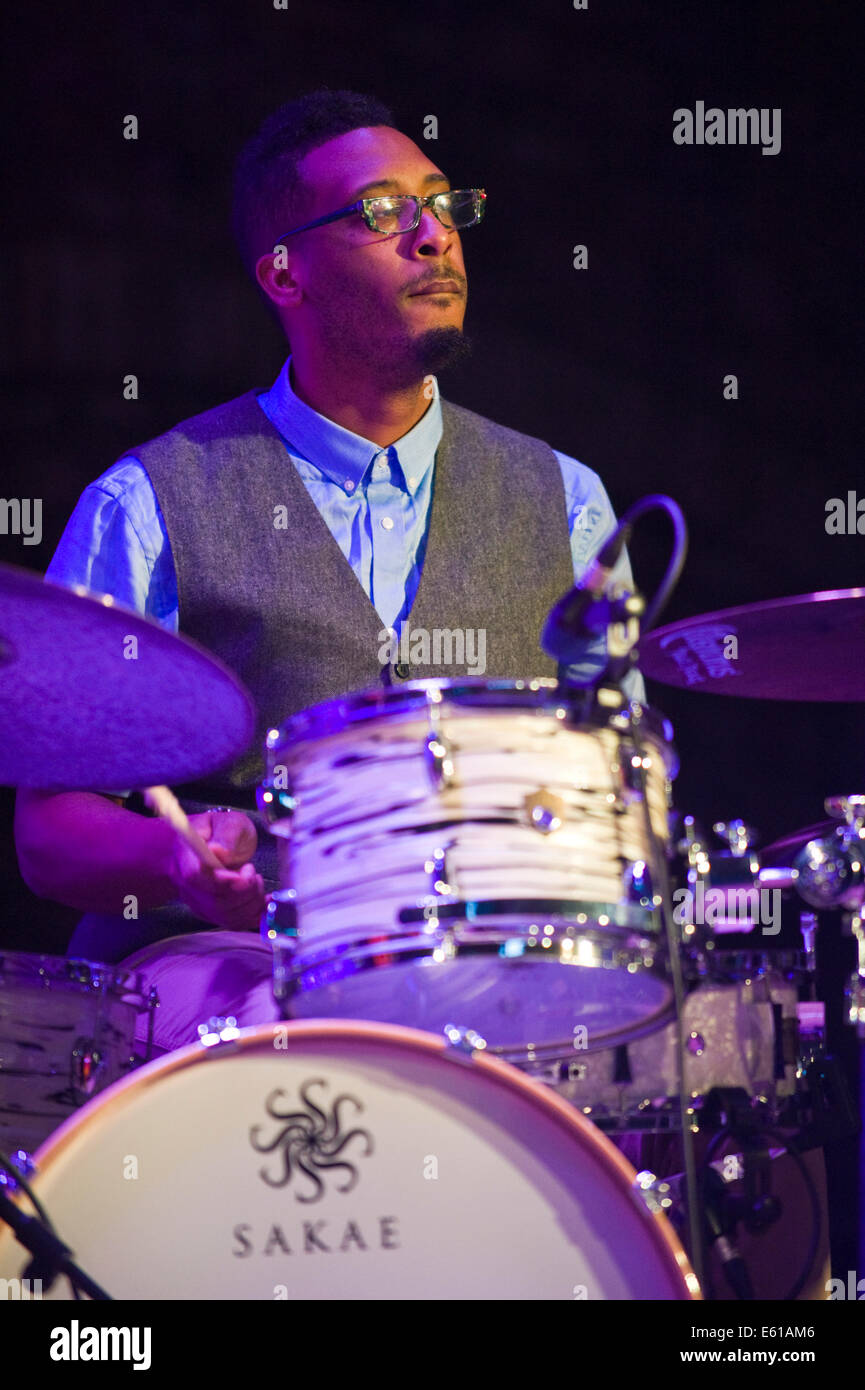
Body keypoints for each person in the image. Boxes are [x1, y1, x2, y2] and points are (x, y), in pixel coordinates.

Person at [14, 89, 643, 1054]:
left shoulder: (566, 501)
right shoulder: (148, 500)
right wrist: (172, 863)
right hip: (220, 973)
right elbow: (50, 830)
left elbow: (622, 796)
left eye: (442, 205)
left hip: (495, 994)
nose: (433, 237)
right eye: (383, 213)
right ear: (283, 272)